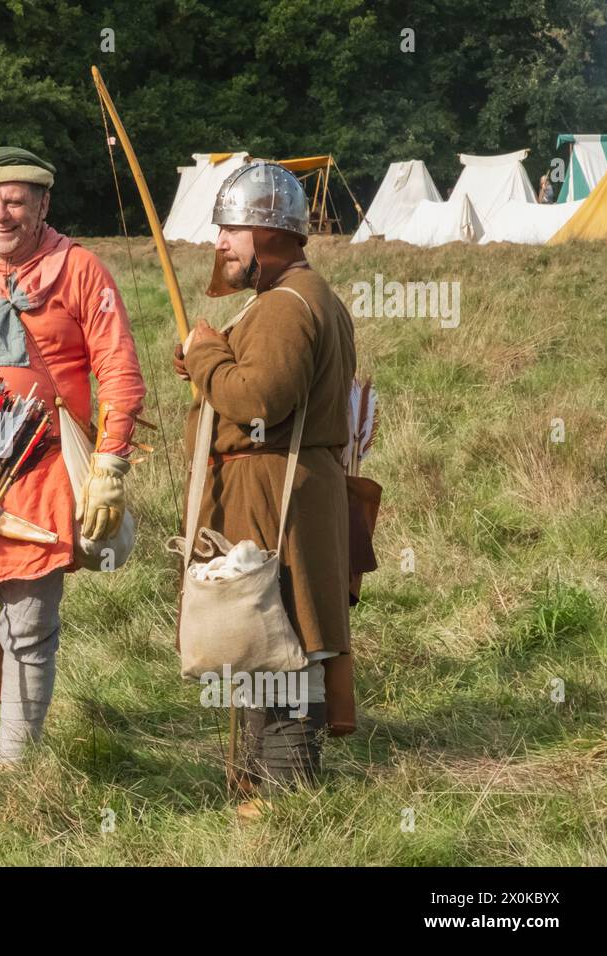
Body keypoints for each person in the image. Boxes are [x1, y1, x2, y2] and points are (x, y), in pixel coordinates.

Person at [0, 147, 146, 766]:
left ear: (43, 203)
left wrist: (110, 464)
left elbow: (119, 369)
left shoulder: (80, 270)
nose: (1, 213)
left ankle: (17, 773)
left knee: (26, 629)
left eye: (15, 200)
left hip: (37, 473)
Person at [174, 162, 356, 812]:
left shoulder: (284, 306)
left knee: (282, 648)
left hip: (279, 499)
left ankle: (287, 806)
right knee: (261, 644)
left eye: (233, 230)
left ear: (271, 232)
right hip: (277, 491)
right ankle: (257, 794)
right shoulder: (289, 296)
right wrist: (211, 355)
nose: (220, 244)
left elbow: (256, 401)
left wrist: (205, 357)